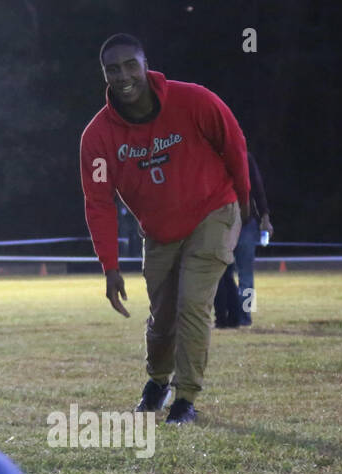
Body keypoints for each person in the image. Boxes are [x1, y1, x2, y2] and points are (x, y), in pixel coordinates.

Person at [79, 33, 249, 424]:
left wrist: (245, 201)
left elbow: (234, 143)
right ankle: (158, 380)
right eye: (112, 69)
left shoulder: (193, 100)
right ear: (104, 74)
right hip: (159, 231)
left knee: (193, 304)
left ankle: (185, 398)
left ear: (145, 64)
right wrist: (109, 266)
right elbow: (99, 202)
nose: (123, 75)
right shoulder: (97, 136)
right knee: (162, 319)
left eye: (129, 65)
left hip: (213, 209)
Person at [215, 150, 274, 328]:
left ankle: (245, 316)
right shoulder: (226, 157)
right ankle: (236, 316)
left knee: (242, 275)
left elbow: (257, 188)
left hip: (243, 224)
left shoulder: (244, 157)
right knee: (231, 275)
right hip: (228, 224)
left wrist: (265, 218)